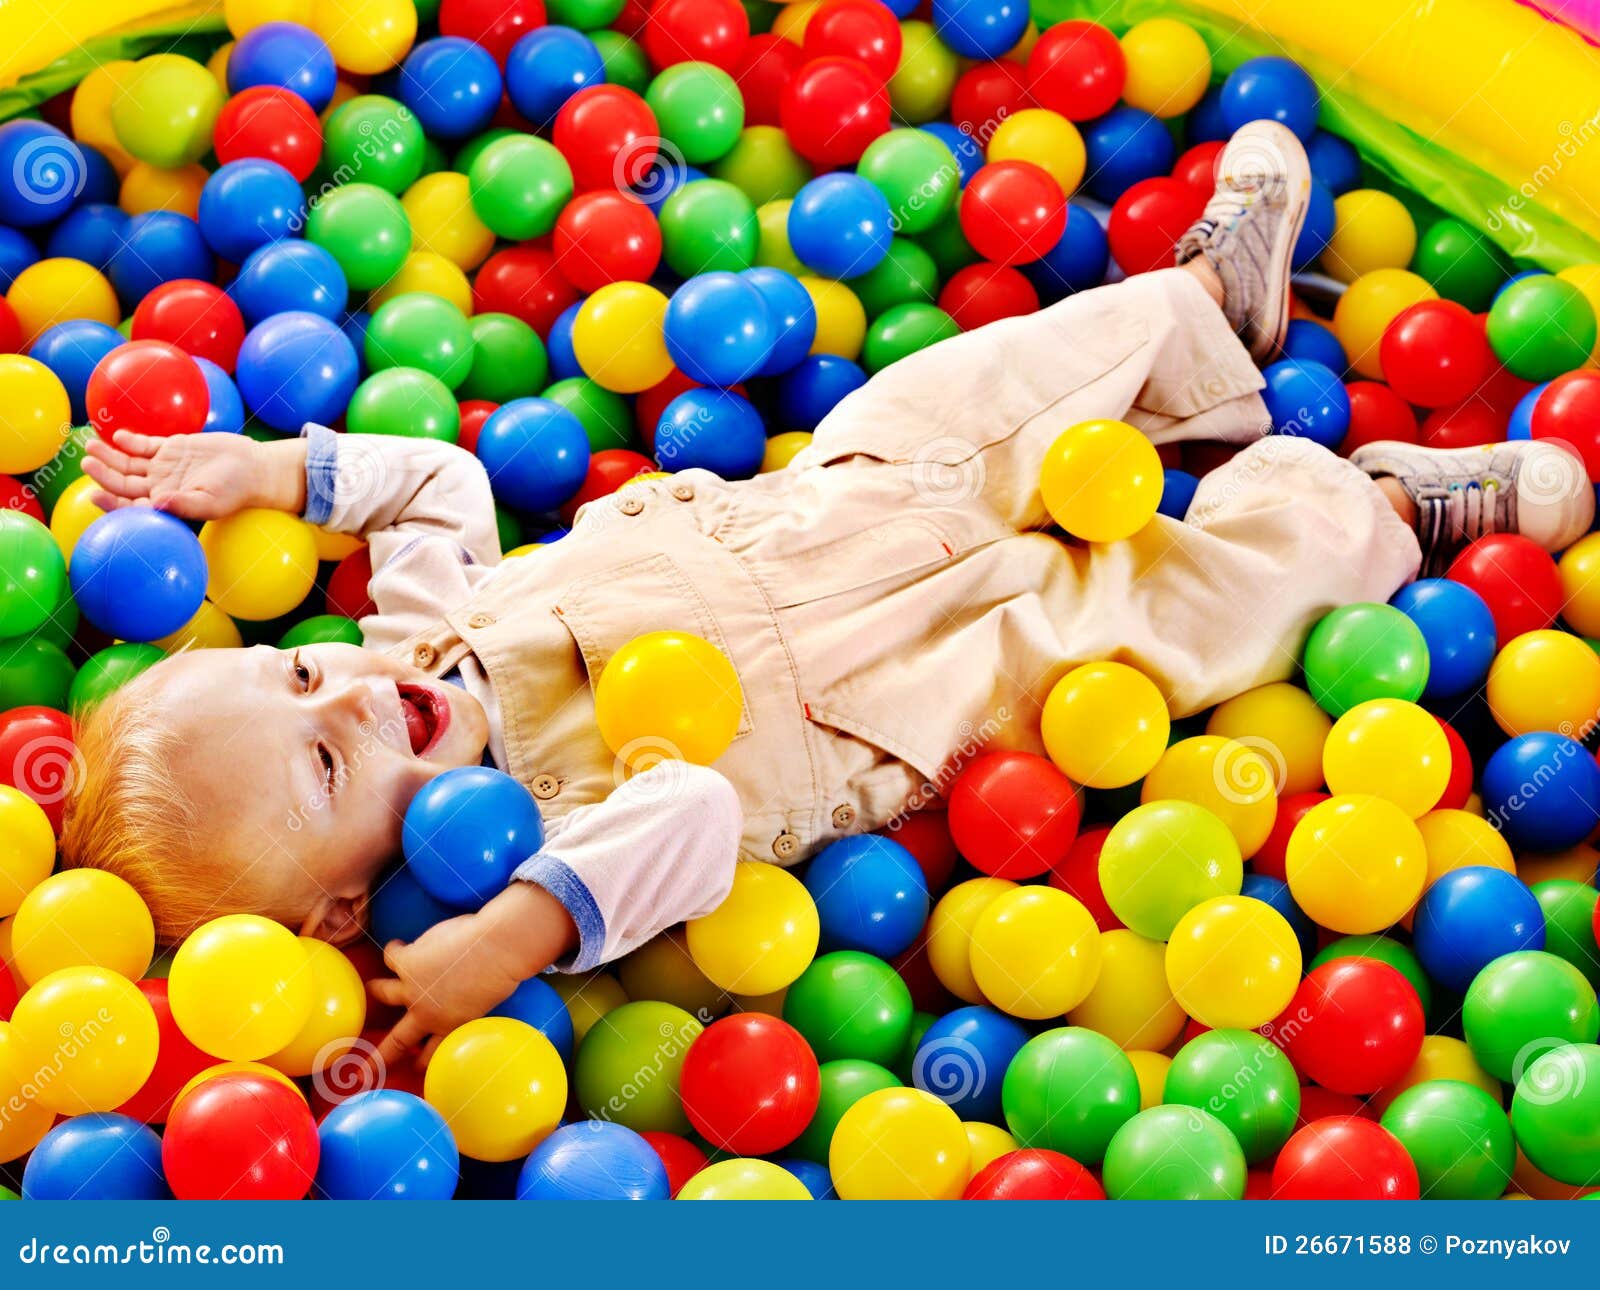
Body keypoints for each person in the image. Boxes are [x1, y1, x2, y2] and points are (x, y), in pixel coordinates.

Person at [61, 122, 1592, 1067]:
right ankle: (1373, 508)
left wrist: (280, 475)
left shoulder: (416, 631)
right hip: (930, 679)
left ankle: (1202, 316)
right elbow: (697, 821)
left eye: (292, 673)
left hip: (855, 496)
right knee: (1178, 618)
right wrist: (514, 934)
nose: (339, 694)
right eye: (323, 759)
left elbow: (446, 485)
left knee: (995, 374)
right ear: (341, 905)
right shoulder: (511, 864)